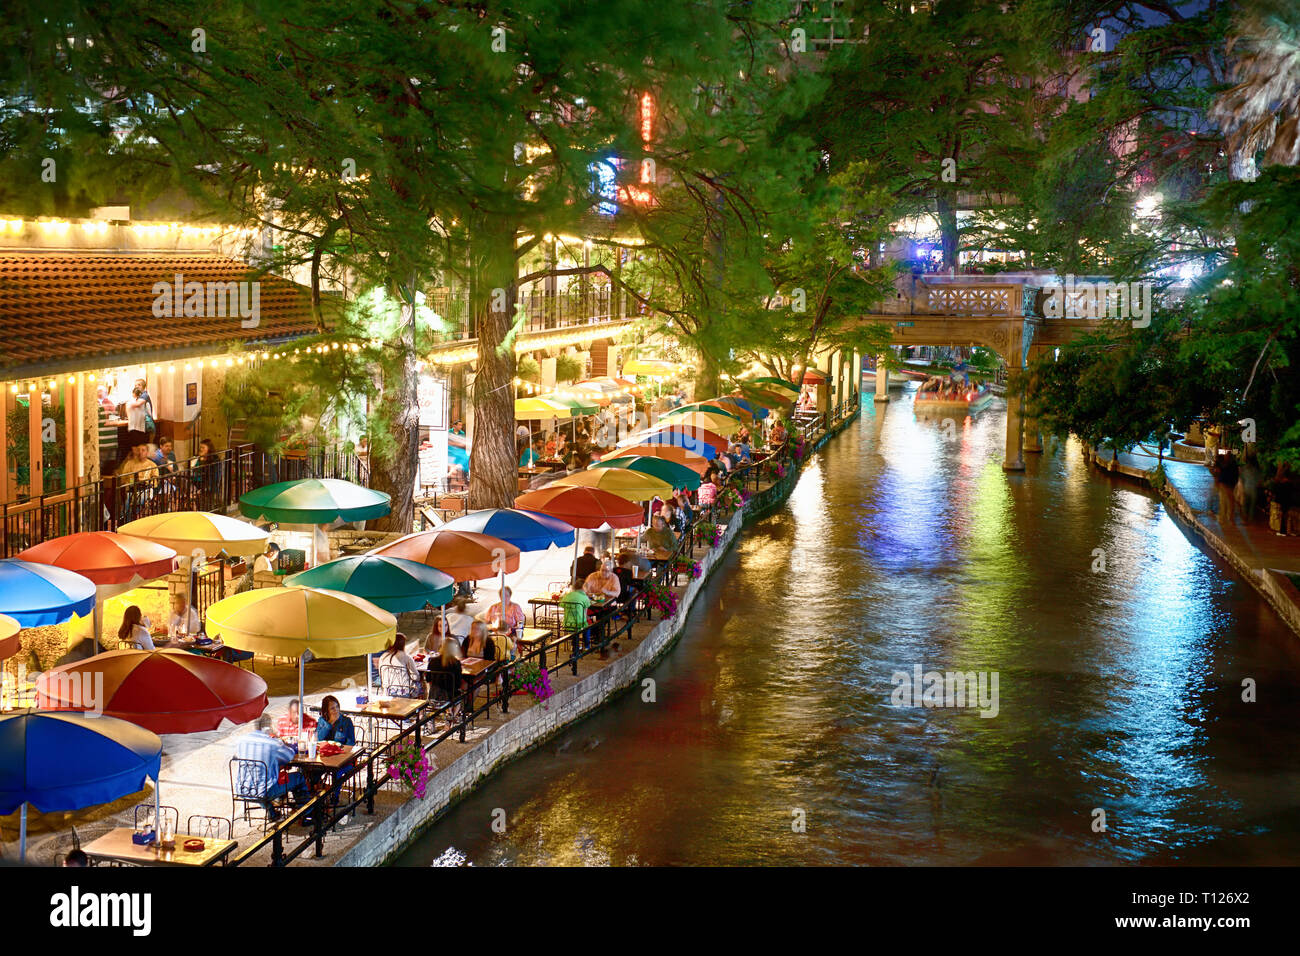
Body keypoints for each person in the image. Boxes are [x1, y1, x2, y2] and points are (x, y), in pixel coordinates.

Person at [236, 716, 309, 819]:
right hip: (263, 791)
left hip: (243, 789)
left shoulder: (242, 740)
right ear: (268, 727)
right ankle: (306, 815)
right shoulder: (271, 743)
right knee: (298, 777)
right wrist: (279, 741)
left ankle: (272, 813)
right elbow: (289, 756)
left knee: (263, 780)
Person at [560, 577, 593, 649]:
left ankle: (575, 646)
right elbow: (585, 614)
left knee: (575, 629)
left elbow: (562, 605)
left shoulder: (567, 595)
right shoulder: (585, 598)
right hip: (579, 623)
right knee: (588, 625)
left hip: (567, 623)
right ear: (584, 588)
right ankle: (587, 646)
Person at [1212, 450, 1239, 525]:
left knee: (1225, 502)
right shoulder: (1231, 465)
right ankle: (1228, 518)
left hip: (1225, 484)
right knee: (1229, 502)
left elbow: (1218, 472)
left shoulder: (1226, 464)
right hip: (1227, 484)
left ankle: (1224, 518)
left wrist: (1217, 481)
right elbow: (1236, 476)